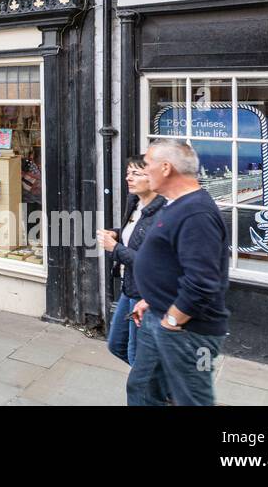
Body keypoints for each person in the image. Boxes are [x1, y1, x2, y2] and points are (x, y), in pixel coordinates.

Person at [126, 139, 230, 407]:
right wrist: (152, 300)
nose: (143, 171)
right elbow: (176, 263)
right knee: (143, 388)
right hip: (160, 314)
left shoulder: (196, 213)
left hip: (187, 330)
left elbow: (203, 282)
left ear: (166, 168)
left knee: (192, 399)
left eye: (147, 165)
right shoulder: (176, 204)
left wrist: (171, 321)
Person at [98, 157, 165, 366]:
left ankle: (154, 392)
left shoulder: (163, 214)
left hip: (146, 293)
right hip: (129, 287)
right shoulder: (134, 201)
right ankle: (159, 384)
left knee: (137, 356)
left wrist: (115, 249)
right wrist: (117, 234)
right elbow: (135, 235)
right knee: (116, 344)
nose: (128, 178)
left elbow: (153, 263)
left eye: (135, 173)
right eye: (128, 173)